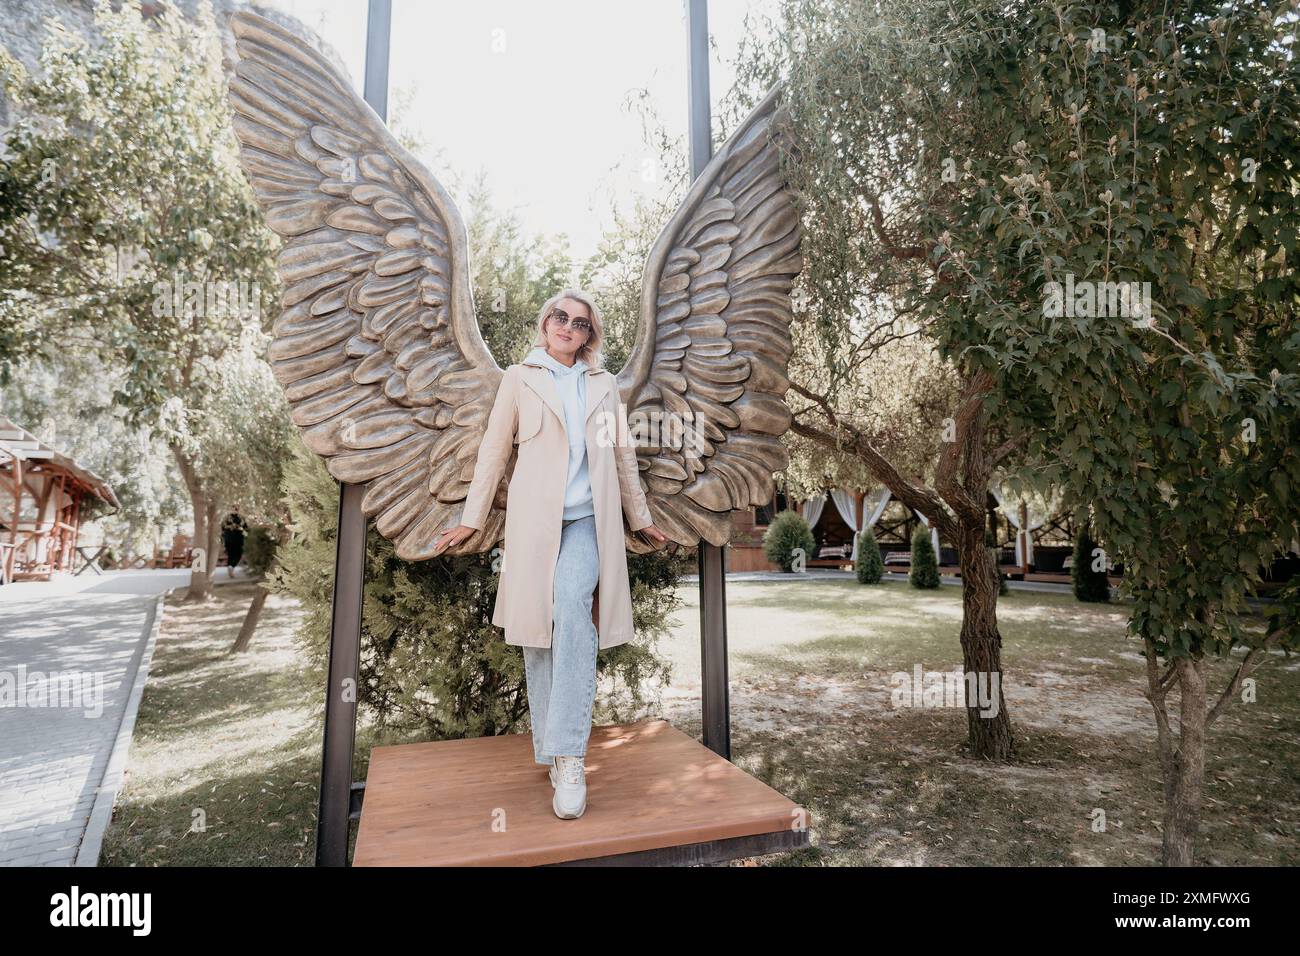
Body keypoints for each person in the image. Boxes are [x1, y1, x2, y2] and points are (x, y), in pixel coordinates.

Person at [435, 289, 668, 820]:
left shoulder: (605, 386)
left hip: (589, 521)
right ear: (545, 324)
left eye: (579, 322)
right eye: (559, 317)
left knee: (569, 604)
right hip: (534, 526)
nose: (567, 326)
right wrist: (471, 518)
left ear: (589, 336)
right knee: (537, 634)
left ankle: (569, 758)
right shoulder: (520, 379)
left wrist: (643, 517)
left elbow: (622, 456)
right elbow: (494, 449)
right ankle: (553, 749)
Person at [221, 509, 248, 578]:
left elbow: (222, 529)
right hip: (237, 539)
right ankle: (232, 567)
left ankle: (230, 567)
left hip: (228, 539)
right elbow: (246, 528)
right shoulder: (241, 517)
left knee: (231, 555)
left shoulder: (226, 518)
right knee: (238, 554)